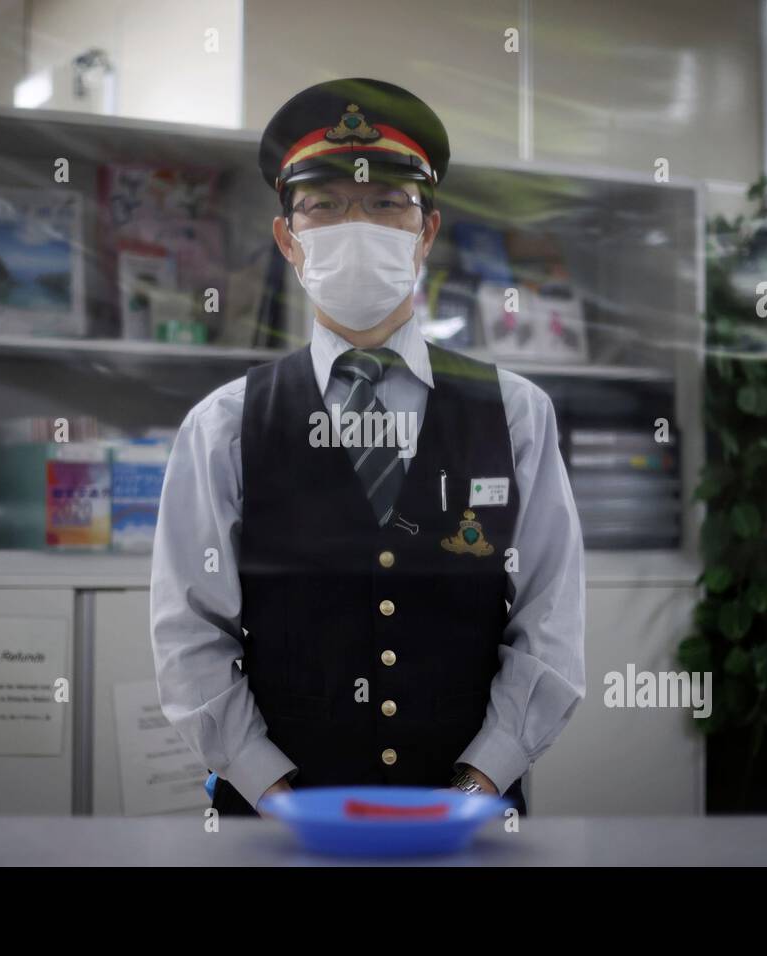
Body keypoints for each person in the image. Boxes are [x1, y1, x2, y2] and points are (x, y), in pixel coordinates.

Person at [150, 77, 585, 817]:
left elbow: (550, 618)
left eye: (388, 203)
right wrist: (272, 790)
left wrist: (480, 782)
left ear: (427, 232)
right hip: (275, 824)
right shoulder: (224, 425)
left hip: (470, 820)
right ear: (289, 238)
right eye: (325, 204)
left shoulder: (516, 414)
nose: (358, 224)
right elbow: (190, 628)